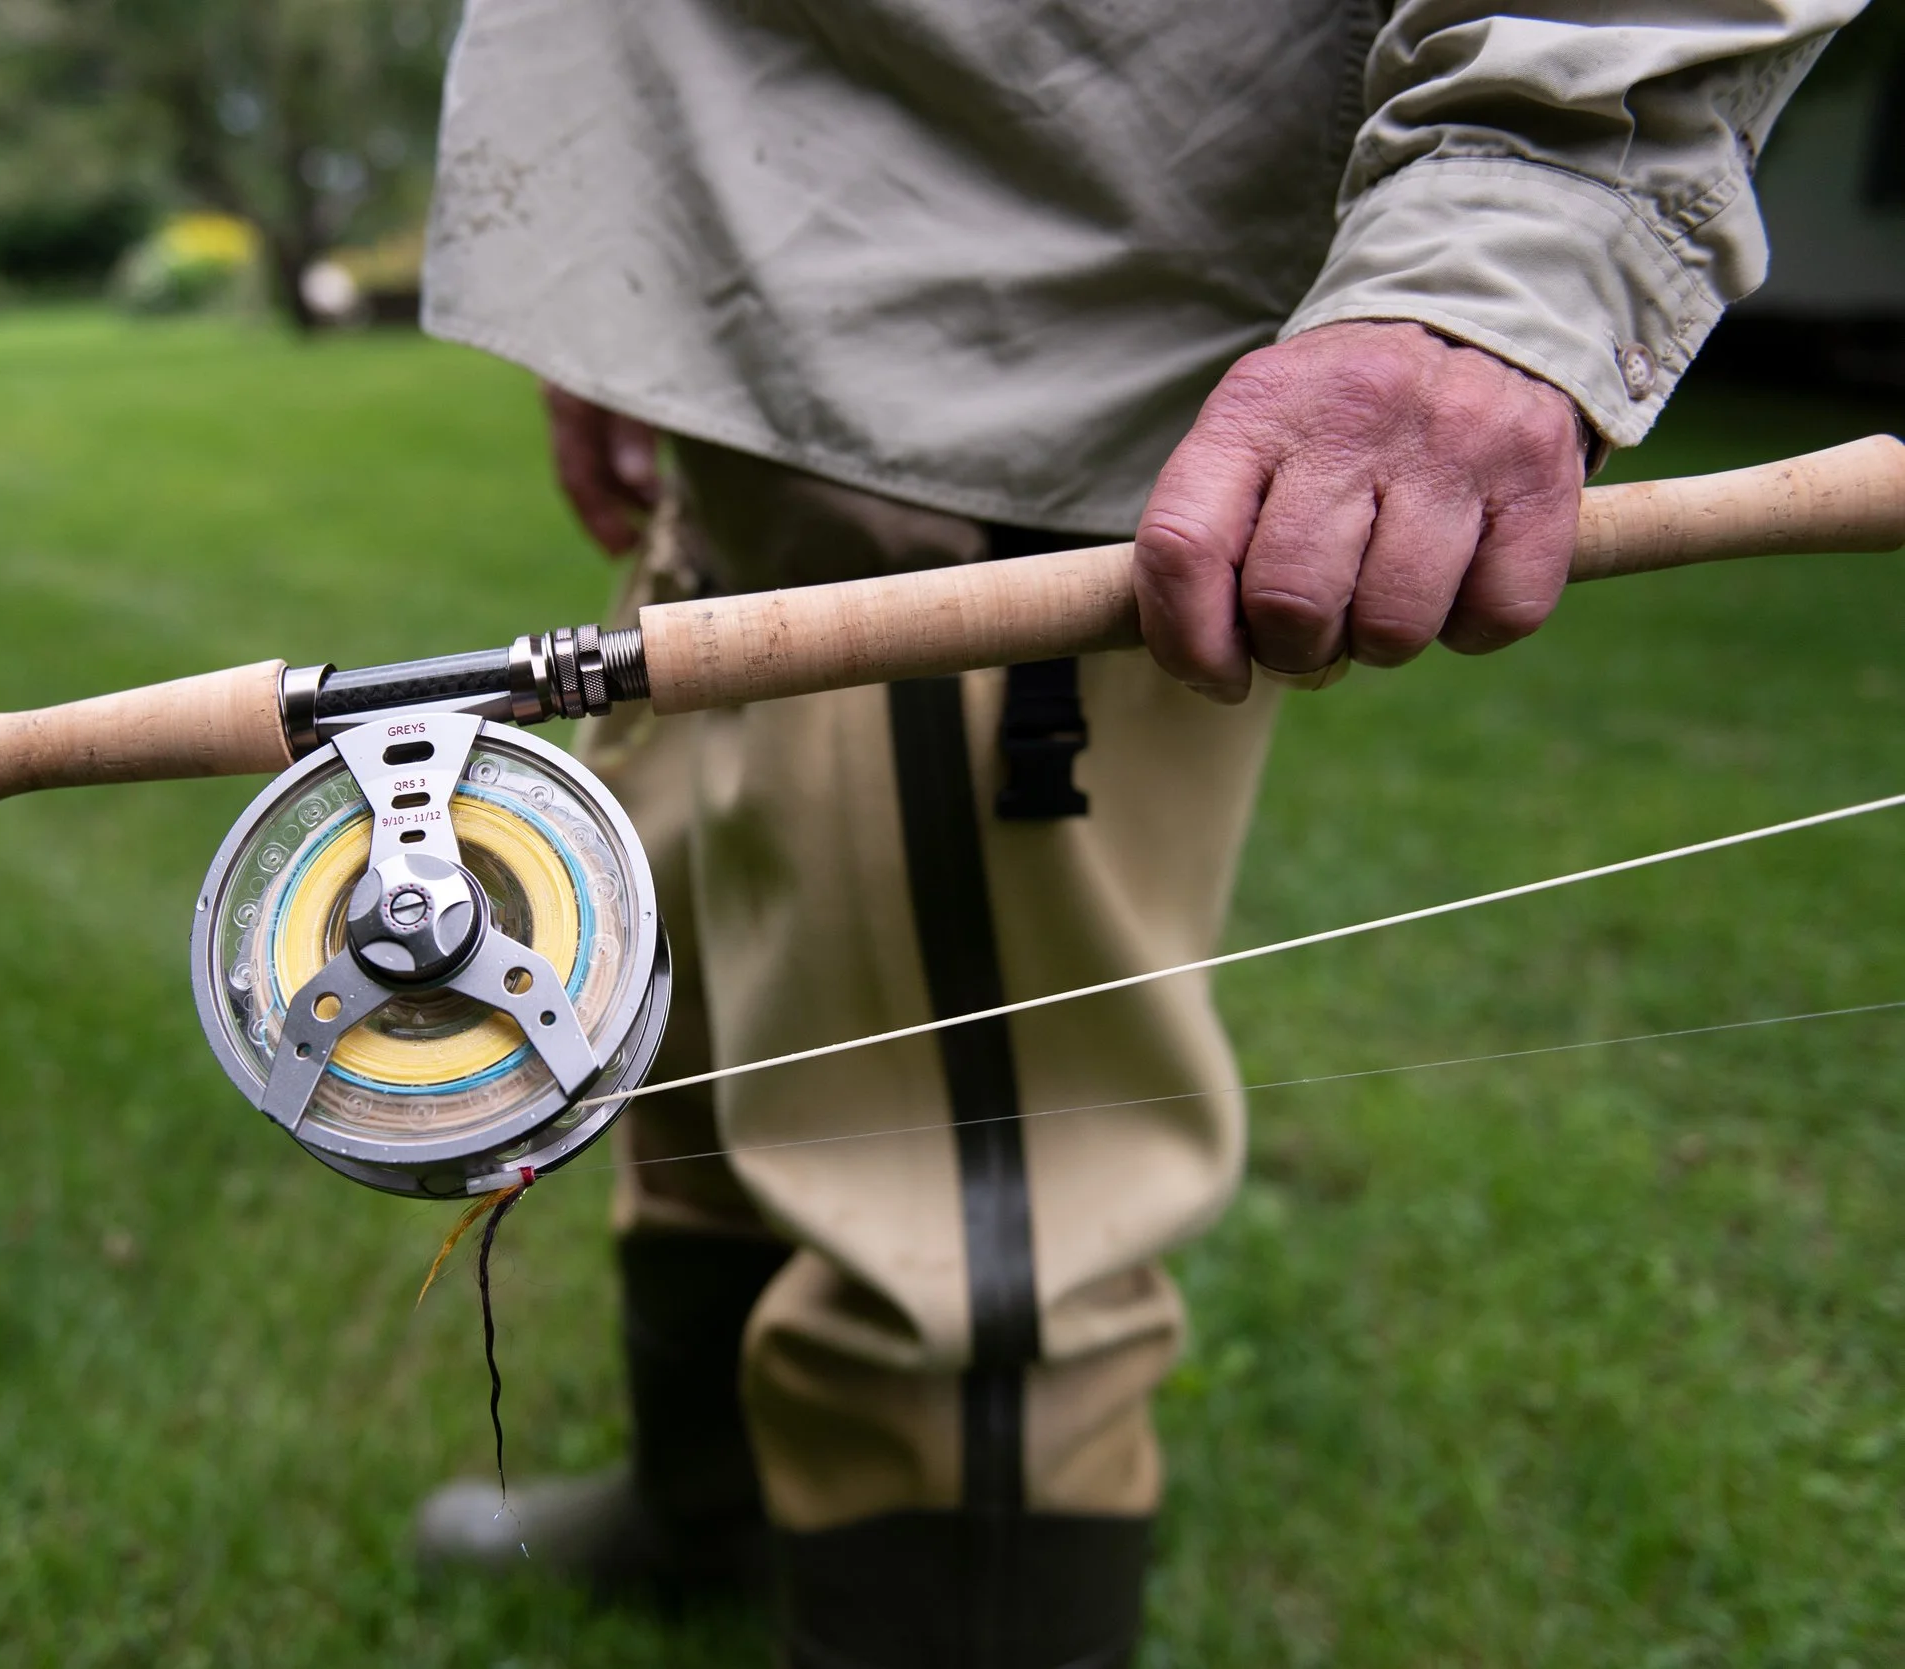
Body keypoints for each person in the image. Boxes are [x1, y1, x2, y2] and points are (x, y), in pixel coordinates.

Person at [408, 6, 1860, 1665]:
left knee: (943, 1181)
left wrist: (1503, 250)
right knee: (693, 987)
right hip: (760, 327)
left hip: (1018, 353)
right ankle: (716, 1515)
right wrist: (626, 269)